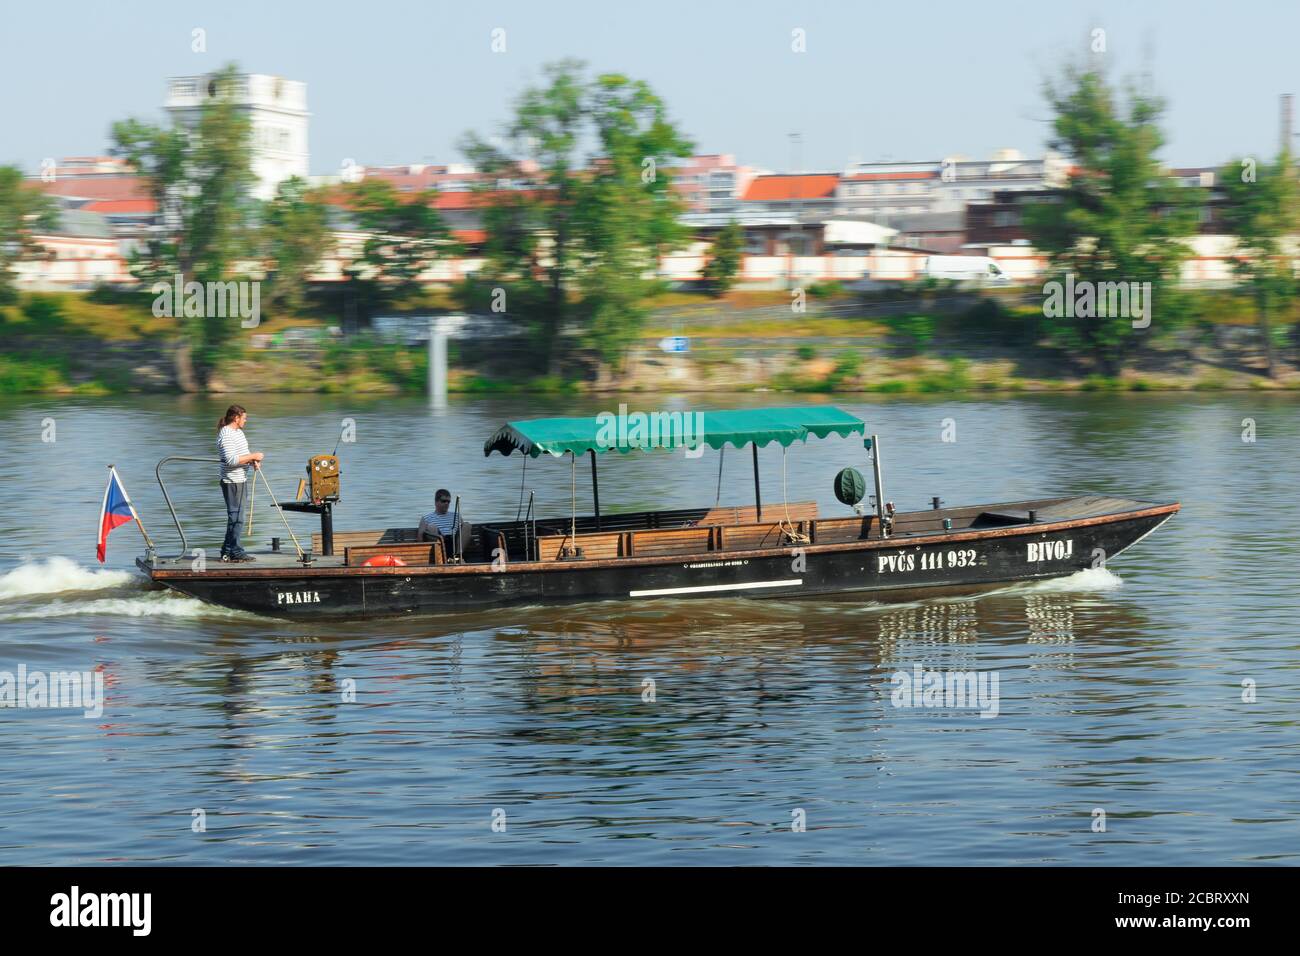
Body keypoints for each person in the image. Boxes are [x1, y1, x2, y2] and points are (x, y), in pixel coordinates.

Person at [216, 404, 264, 562]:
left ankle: (227, 550)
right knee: (236, 518)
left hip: (241, 479)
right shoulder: (226, 434)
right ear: (236, 418)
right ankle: (234, 551)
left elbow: (243, 455)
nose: (246, 421)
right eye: (244, 418)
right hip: (231, 481)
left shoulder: (239, 433)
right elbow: (231, 460)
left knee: (237, 517)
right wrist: (254, 455)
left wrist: (252, 461)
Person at [419, 489, 470, 556]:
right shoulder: (426, 518)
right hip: (439, 542)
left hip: (455, 543)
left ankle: (457, 556)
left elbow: (463, 533)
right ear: (436, 502)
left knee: (467, 525)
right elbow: (420, 539)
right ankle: (439, 556)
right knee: (432, 527)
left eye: (448, 501)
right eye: (443, 501)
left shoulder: (456, 515)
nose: (446, 503)